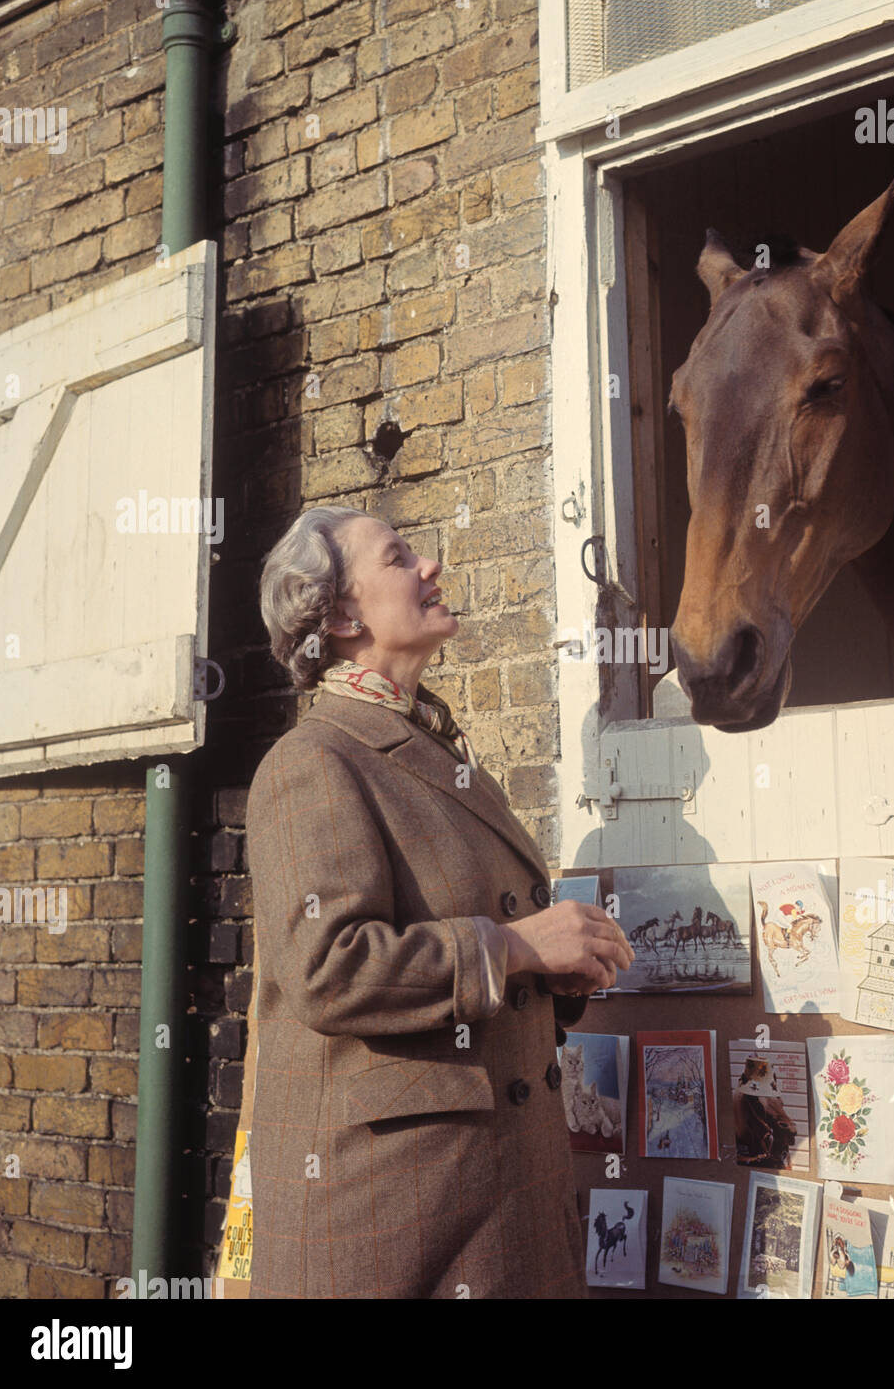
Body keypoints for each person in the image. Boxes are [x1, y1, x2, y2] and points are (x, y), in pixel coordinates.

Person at [244, 504, 633, 1298]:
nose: (430, 568)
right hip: (396, 1217)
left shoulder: (433, 749)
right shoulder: (312, 761)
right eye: (398, 558)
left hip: (497, 1198)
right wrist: (521, 947)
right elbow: (328, 967)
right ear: (343, 612)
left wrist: (554, 977)